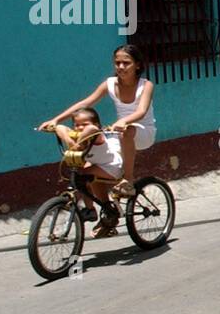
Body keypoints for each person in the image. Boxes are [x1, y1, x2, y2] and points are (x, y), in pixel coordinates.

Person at [41, 44, 156, 200]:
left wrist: (123, 121)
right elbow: (85, 103)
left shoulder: (146, 85)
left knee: (127, 131)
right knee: (92, 165)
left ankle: (128, 180)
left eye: (126, 63)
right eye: (117, 63)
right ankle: (106, 212)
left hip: (143, 132)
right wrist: (56, 120)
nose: (121, 67)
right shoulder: (110, 84)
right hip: (118, 134)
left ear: (138, 65)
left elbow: (141, 112)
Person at [48, 108, 123, 238]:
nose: (80, 128)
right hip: (96, 166)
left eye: (84, 124)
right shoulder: (76, 137)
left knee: (82, 175)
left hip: (112, 167)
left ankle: (92, 210)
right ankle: (91, 210)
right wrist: (70, 140)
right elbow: (60, 127)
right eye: (77, 125)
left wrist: (79, 142)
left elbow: (92, 129)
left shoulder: (97, 135)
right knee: (81, 178)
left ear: (97, 125)